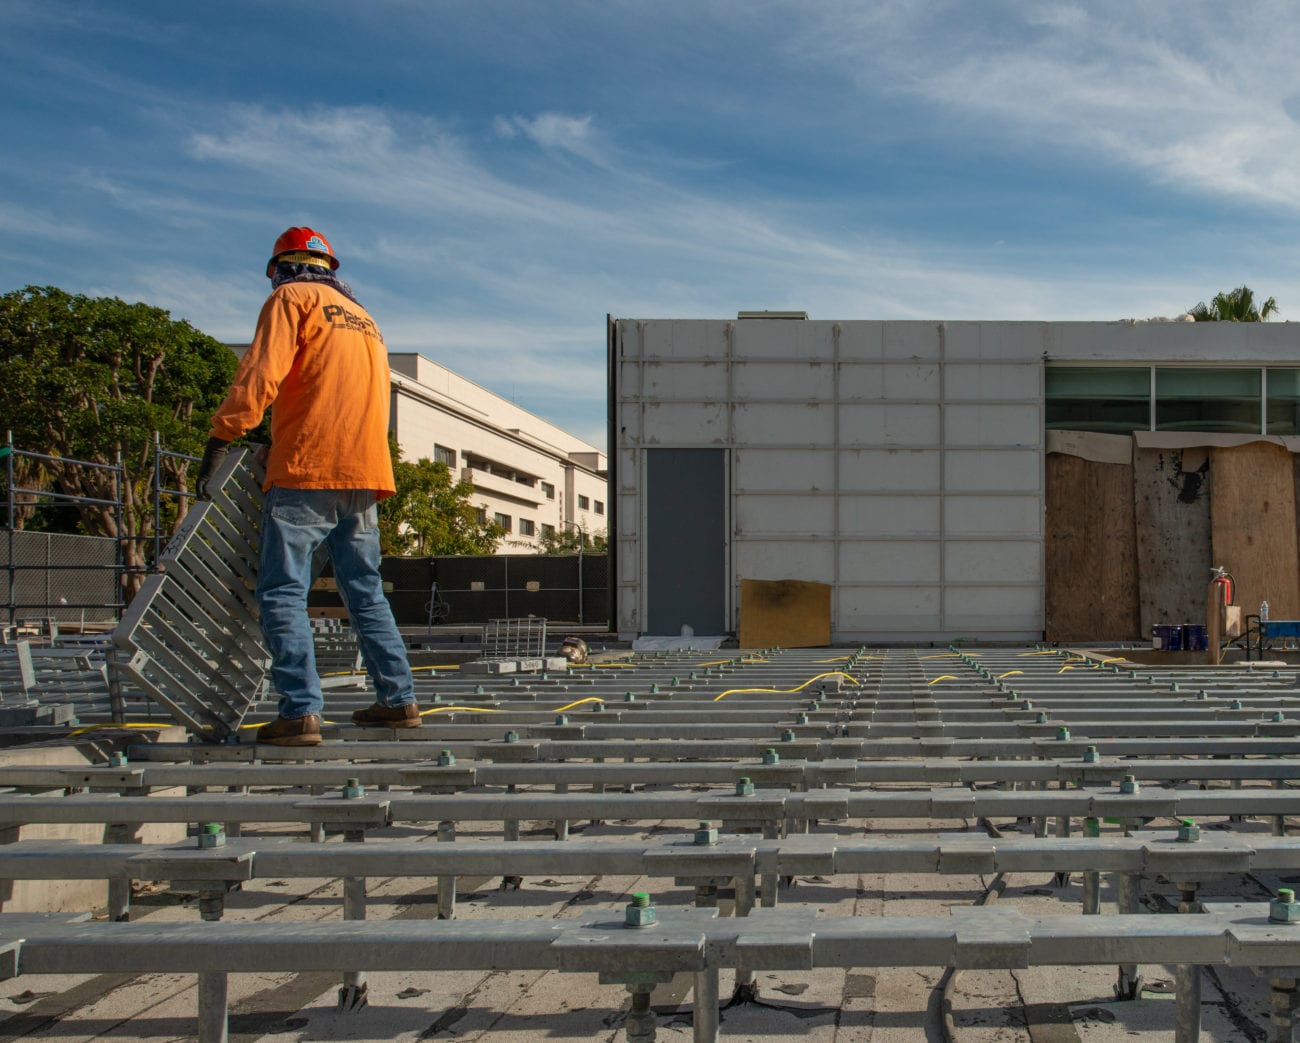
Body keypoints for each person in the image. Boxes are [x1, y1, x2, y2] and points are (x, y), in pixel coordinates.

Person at [197, 226, 421, 745]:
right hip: (366, 475)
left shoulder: (290, 299)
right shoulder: (364, 319)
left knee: (282, 592)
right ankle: (399, 698)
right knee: (365, 593)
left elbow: (259, 375)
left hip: (308, 468)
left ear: (281, 266)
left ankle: (299, 711)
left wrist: (222, 434)